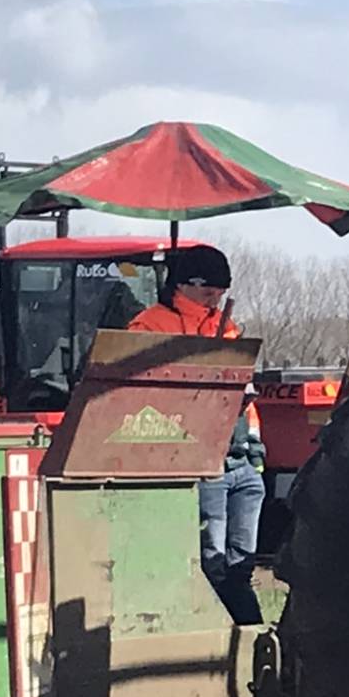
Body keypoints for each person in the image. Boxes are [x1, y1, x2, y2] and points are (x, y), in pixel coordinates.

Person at [128, 244, 266, 625]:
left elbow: (244, 388)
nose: (215, 300)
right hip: (200, 466)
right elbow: (141, 395)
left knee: (242, 563)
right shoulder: (149, 326)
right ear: (185, 285)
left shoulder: (227, 327)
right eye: (208, 292)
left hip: (242, 462)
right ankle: (228, 633)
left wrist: (254, 445)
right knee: (212, 562)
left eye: (221, 294)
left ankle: (250, 635)